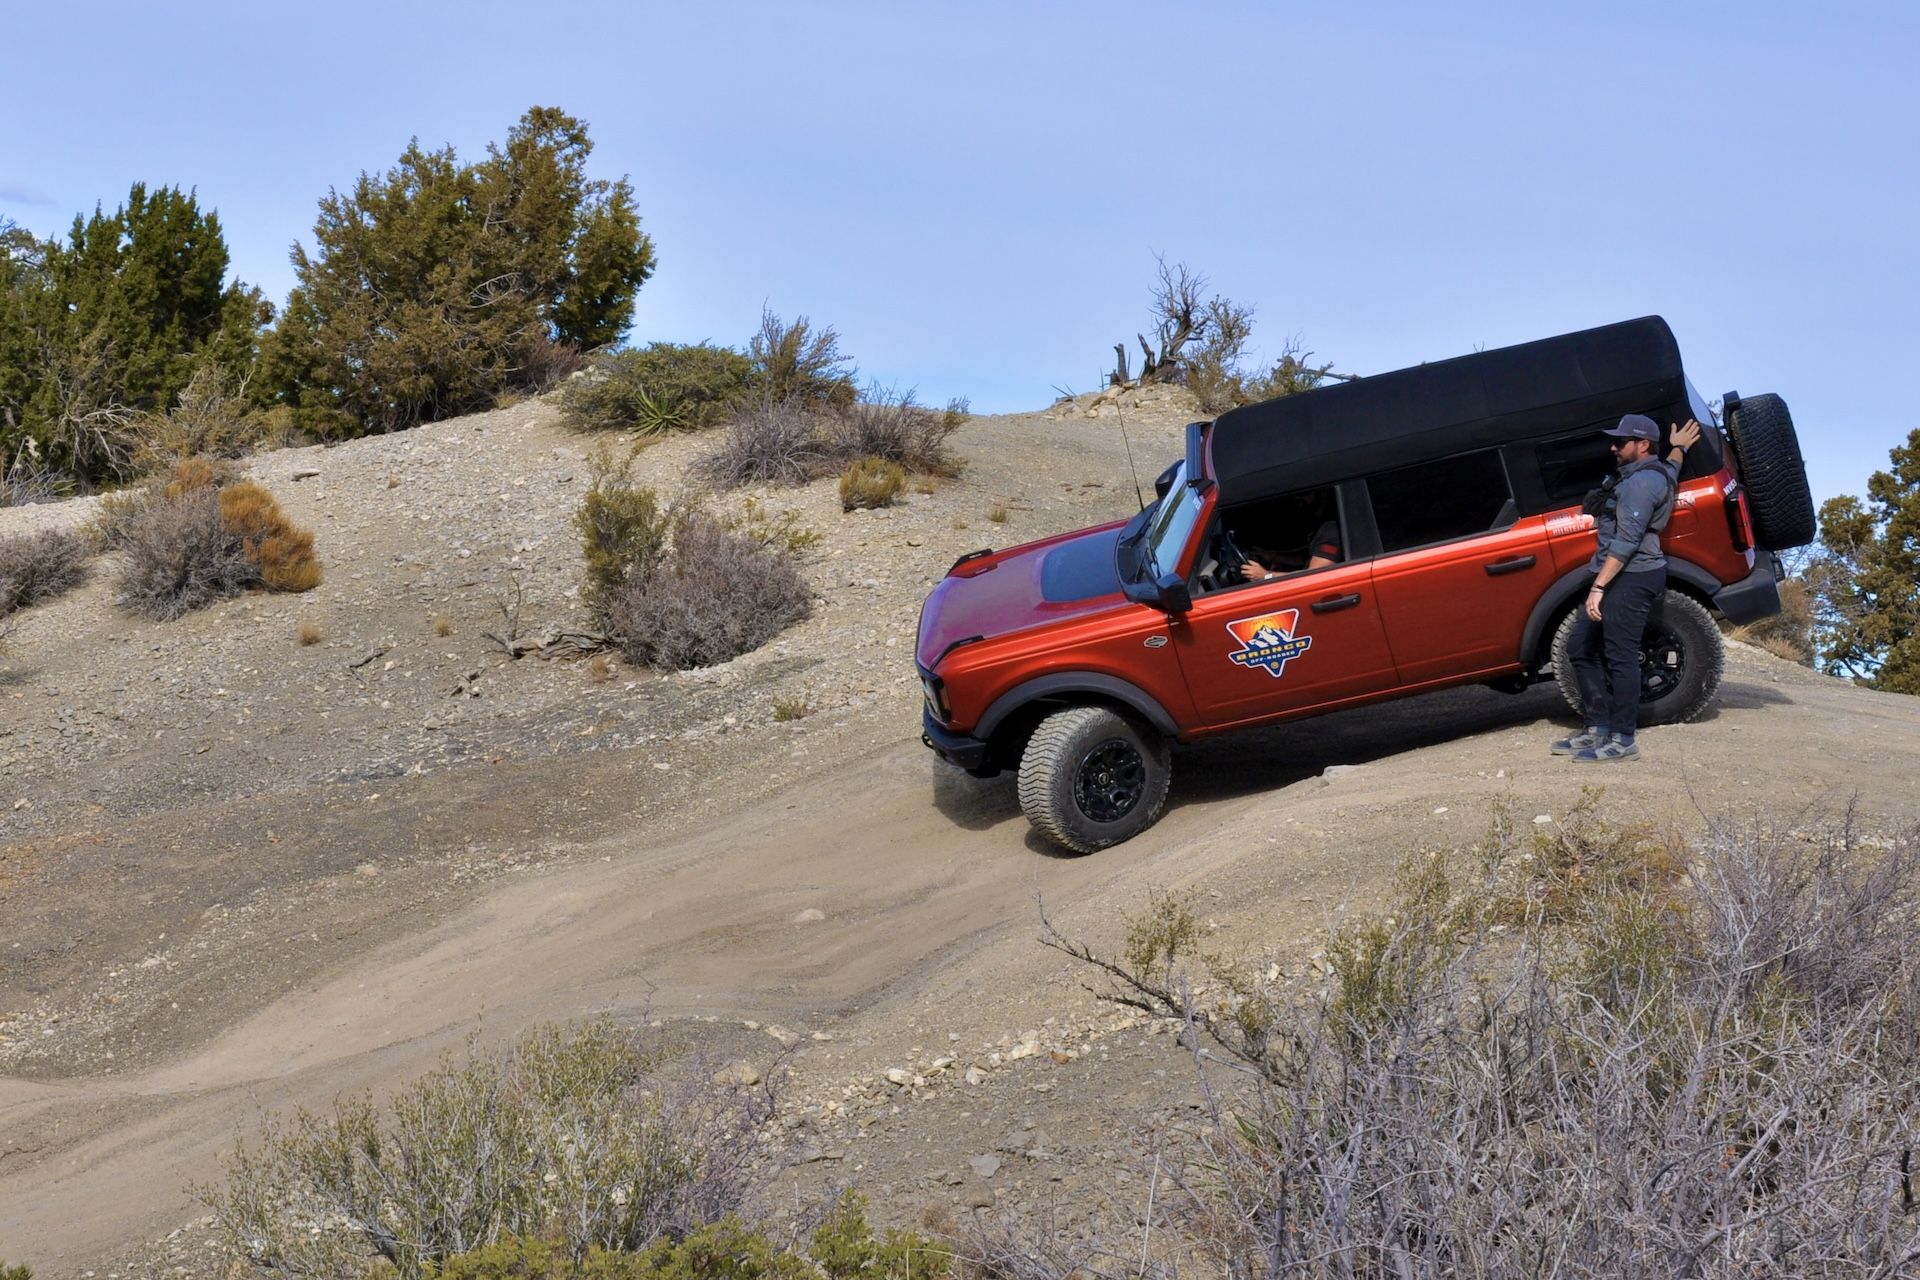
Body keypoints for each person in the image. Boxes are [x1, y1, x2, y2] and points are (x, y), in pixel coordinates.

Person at [1553, 414, 1701, 762]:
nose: (1613, 447)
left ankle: (1623, 739)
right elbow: (1672, 467)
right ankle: (1597, 727)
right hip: (1618, 573)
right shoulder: (1653, 471)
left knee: (1621, 655)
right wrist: (1679, 448)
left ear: (1642, 445)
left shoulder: (1641, 484)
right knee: (1580, 648)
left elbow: (1626, 542)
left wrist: (1598, 587)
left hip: (1632, 575)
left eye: (1621, 442)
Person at [1238, 516, 1342, 582]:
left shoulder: (1330, 530)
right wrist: (1272, 556)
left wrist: (1266, 576)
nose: (1298, 499)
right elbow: (1303, 558)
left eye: (1304, 494)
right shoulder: (1321, 526)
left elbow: (1315, 576)